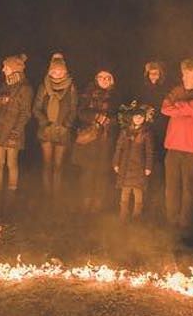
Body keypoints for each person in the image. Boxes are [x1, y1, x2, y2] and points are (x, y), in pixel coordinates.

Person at [161, 59, 193, 247]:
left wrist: (179, 107)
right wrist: (186, 106)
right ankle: (171, 224)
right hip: (173, 146)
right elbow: (165, 108)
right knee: (171, 188)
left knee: (189, 190)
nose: (183, 78)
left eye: (186, 74)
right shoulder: (176, 90)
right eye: (183, 74)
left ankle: (184, 227)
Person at [0, 53, 32, 217]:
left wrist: (16, 131)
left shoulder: (25, 88)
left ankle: (11, 196)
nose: (2, 69)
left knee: (11, 163)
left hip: (13, 130)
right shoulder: (4, 85)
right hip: (0, 129)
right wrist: (1, 101)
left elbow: (26, 113)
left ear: (13, 69)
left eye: (5, 67)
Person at [32, 53, 78, 199]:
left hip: (62, 131)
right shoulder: (44, 86)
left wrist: (66, 125)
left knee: (58, 166)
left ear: (65, 72)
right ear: (50, 71)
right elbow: (36, 108)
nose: (57, 74)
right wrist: (44, 122)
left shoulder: (70, 87)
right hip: (46, 130)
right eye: (54, 71)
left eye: (60, 71)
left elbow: (73, 108)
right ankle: (47, 195)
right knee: (47, 164)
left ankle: (56, 196)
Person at [71, 70, 117, 214]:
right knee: (88, 171)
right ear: (96, 79)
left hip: (106, 139)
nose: (104, 80)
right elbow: (81, 112)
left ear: (112, 80)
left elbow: (120, 116)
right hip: (90, 138)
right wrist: (97, 117)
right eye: (101, 77)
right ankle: (86, 201)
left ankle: (98, 202)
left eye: (107, 77)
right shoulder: (88, 93)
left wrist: (109, 120)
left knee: (102, 171)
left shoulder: (116, 96)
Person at [133, 61, 169, 217]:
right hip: (144, 132)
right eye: (151, 73)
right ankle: (141, 202)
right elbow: (135, 108)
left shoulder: (164, 91)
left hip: (160, 134)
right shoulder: (142, 90)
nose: (153, 75)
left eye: (156, 73)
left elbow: (166, 110)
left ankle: (156, 204)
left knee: (158, 168)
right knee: (142, 166)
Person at [113, 103, 155, 222]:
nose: (138, 119)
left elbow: (149, 151)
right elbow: (118, 148)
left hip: (139, 167)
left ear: (144, 119)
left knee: (138, 192)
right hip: (125, 166)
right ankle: (123, 215)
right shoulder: (125, 131)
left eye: (140, 117)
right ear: (132, 118)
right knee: (125, 191)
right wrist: (116, 162)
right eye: (136, 117)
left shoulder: (146, 133)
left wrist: (148, 167)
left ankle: (137, 216)